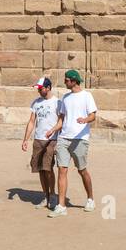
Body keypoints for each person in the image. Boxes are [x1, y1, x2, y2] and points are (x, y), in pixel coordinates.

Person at [46, 69, 96, 217]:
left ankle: (90, 198)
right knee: (62, 170)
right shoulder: (65, 97)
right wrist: (53, 130)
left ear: (74, 81)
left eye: (67, 80)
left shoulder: (87, 96)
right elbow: (61, 118)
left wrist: (85, 120)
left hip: (80, 139)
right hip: (64, 138)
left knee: (82, 170)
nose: (65, 82)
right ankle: (61, 206)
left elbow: (93, 115)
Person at [21, 77, 60, 207]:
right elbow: (32, 121)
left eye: (40, 88)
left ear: (48, 88)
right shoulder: (36, 103)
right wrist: (25, 139)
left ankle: (53, 195)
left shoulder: (57, 103)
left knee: (48, 168)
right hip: (38, 139)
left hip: (51, 140)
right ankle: (45, 196)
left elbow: (61, 122)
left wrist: (54, 133)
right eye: (37, 88)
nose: (38, 90)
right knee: (40, 170)